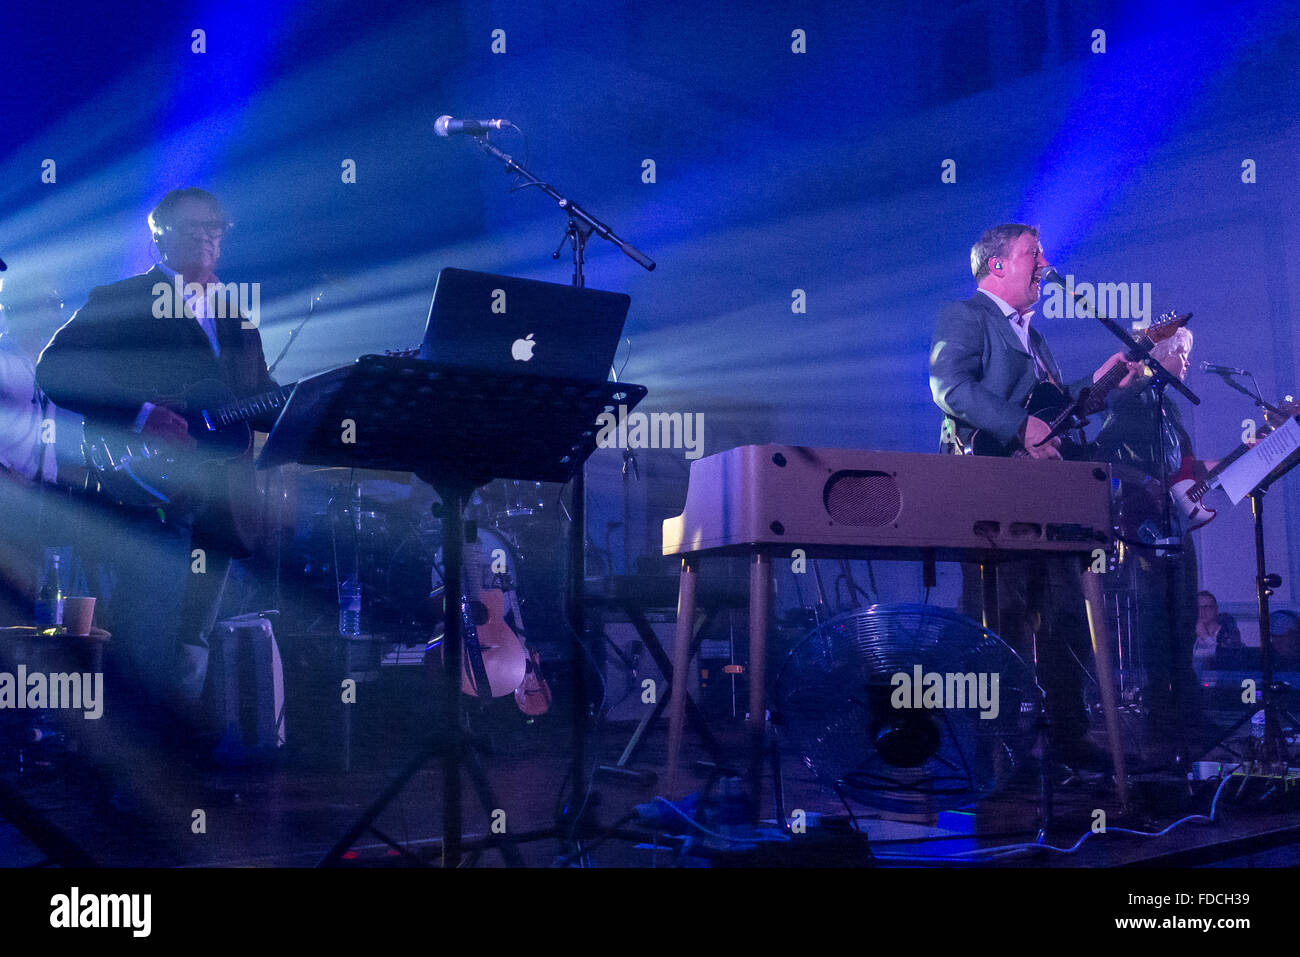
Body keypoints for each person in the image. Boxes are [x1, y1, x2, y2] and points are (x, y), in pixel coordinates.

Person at [36, 188, 279, 749]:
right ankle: (130, 771)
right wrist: (141, 412)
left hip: (222, 500)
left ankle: (173, 765)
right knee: (147, 628)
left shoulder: (235, 315)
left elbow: (261, 397)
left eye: (216, 227)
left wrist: (322, 397)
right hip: (148, 488)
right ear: (159, 234)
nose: (208, 237)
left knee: (194, 633)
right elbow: (55, 370)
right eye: (194, 227)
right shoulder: (121, 298)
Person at [929, 223, 1140, 772]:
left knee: (1066, 612)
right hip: (990, 492)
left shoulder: (1036, 339)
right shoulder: (966, 316)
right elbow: (949, 387)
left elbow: (1052, 411)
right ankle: (993, 753)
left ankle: (1070, 738)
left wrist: (1098, 387)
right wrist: (1021, 428)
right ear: (996, 265)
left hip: (1043, 497)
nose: (1044, 263)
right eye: (1032, 254)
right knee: (1002, 616)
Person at [1092, 328, 1210, 752]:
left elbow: (1187, 468)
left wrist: (1250, 452)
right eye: (1182, 353)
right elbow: (1098, 455)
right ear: (1161, 355)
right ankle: (1162, 729)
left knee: (1181, 626)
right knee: (1157, 632)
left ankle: (1189, 725)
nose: (1188, 361)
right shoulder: (1130, 401)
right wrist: (1143, 480)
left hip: (1176, 526)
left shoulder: (1170, 407)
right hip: (1144, 531)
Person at [1192, 590, 1241, 674]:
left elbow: (1228, 658)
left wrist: (1205, 637)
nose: (1202, 611)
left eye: (1207, 607)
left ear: (1216, 609)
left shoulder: (1229, 631)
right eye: (1198, 607)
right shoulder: (1189, 633)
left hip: (1222, 681)